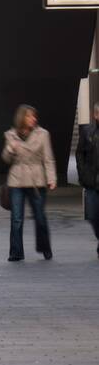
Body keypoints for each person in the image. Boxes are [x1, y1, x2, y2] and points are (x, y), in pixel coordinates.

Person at [2, 104, 56, 262]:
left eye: (34, 116)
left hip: (36, 180)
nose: (33, 119)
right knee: (17, 218)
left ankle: (45, 247)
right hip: (16, 181)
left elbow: (48, 158)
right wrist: (11, 149)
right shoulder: (11, 135)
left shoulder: (43, 134)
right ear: (21, 118)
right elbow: (5, 159)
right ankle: (16, 252)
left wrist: (51, 178)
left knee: (40, 216)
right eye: (29, 116)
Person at [75, 103, 99, 257]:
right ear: (96, 115)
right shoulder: (87, 131)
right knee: (92, 215)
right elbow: (79, 154)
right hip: (92, 181)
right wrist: (83, 174)